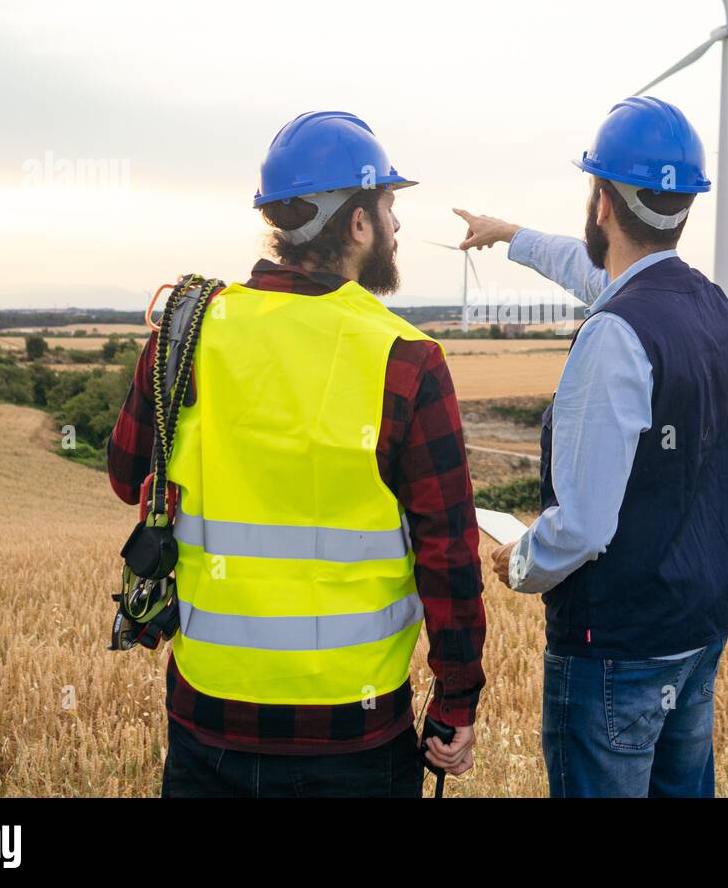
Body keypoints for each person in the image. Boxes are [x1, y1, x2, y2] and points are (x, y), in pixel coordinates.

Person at [107, 110, 485, 797]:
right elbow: (449, 555)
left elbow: (123, 471)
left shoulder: (186, 331)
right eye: (389, 206)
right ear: (358, 223)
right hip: (356, 737)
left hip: (206, 724)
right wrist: (456, 696)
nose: (397, 226)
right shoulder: (406, 359)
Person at [455, 96, 728, 798]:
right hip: (695, 631)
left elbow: (583, 525)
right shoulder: (707, 302)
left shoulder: (613, 335)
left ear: (601, 203)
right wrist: (509, 234)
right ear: (685, 204)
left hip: (617, 650)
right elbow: (598, 276)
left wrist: (520, 561)